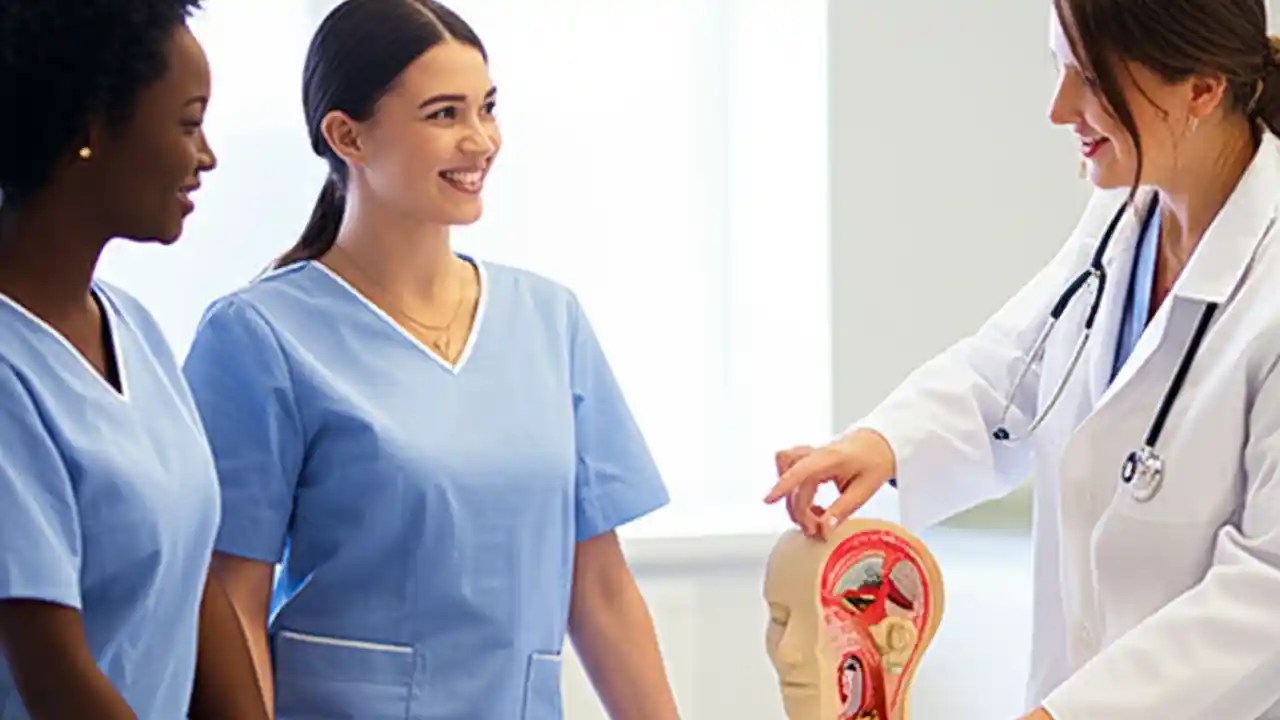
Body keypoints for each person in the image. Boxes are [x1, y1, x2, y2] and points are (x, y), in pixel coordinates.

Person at [767, 0, 1280, 718]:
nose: (1058, 108)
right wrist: (882, 445)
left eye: (1091, 79)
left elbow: (1268, 592)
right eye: (1059, 68)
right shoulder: (1120, 221)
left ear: (1201, 90)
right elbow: (1013, 371)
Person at [180, 1, 678, 718]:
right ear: (346, 134)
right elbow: (230, 603)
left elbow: (600, 591)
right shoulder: (258, 337)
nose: (481, 142)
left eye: (488, 109)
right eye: (444, 115)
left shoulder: (549, 321)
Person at [0, 2, 267, 718]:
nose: (205, 156)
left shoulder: (134, 329)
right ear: (90, 127)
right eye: (187, 122)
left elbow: (192, 578)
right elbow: (53, 677)